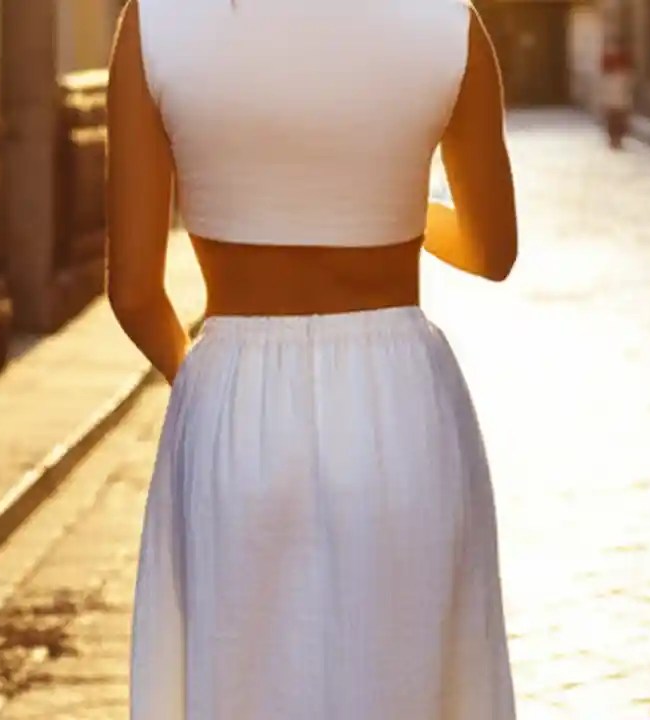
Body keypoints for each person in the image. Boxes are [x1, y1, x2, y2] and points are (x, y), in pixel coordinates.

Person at [106, 0, 518, 717]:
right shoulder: (448, 25)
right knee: (409, 678)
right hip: (400, 400)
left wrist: (199, 383)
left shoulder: (156, 24)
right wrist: (376, 199)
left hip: (233, 396)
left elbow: (133, 292)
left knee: (237, 680)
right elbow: (492, 252)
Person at [601, 39, 633, 149]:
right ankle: (614, 140)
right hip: (614, 97)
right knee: (613, 119)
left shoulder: (624, 72)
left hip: (619, 97)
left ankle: (617, 140)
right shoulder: (609, 70)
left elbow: (628, 85)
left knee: (618, 119)